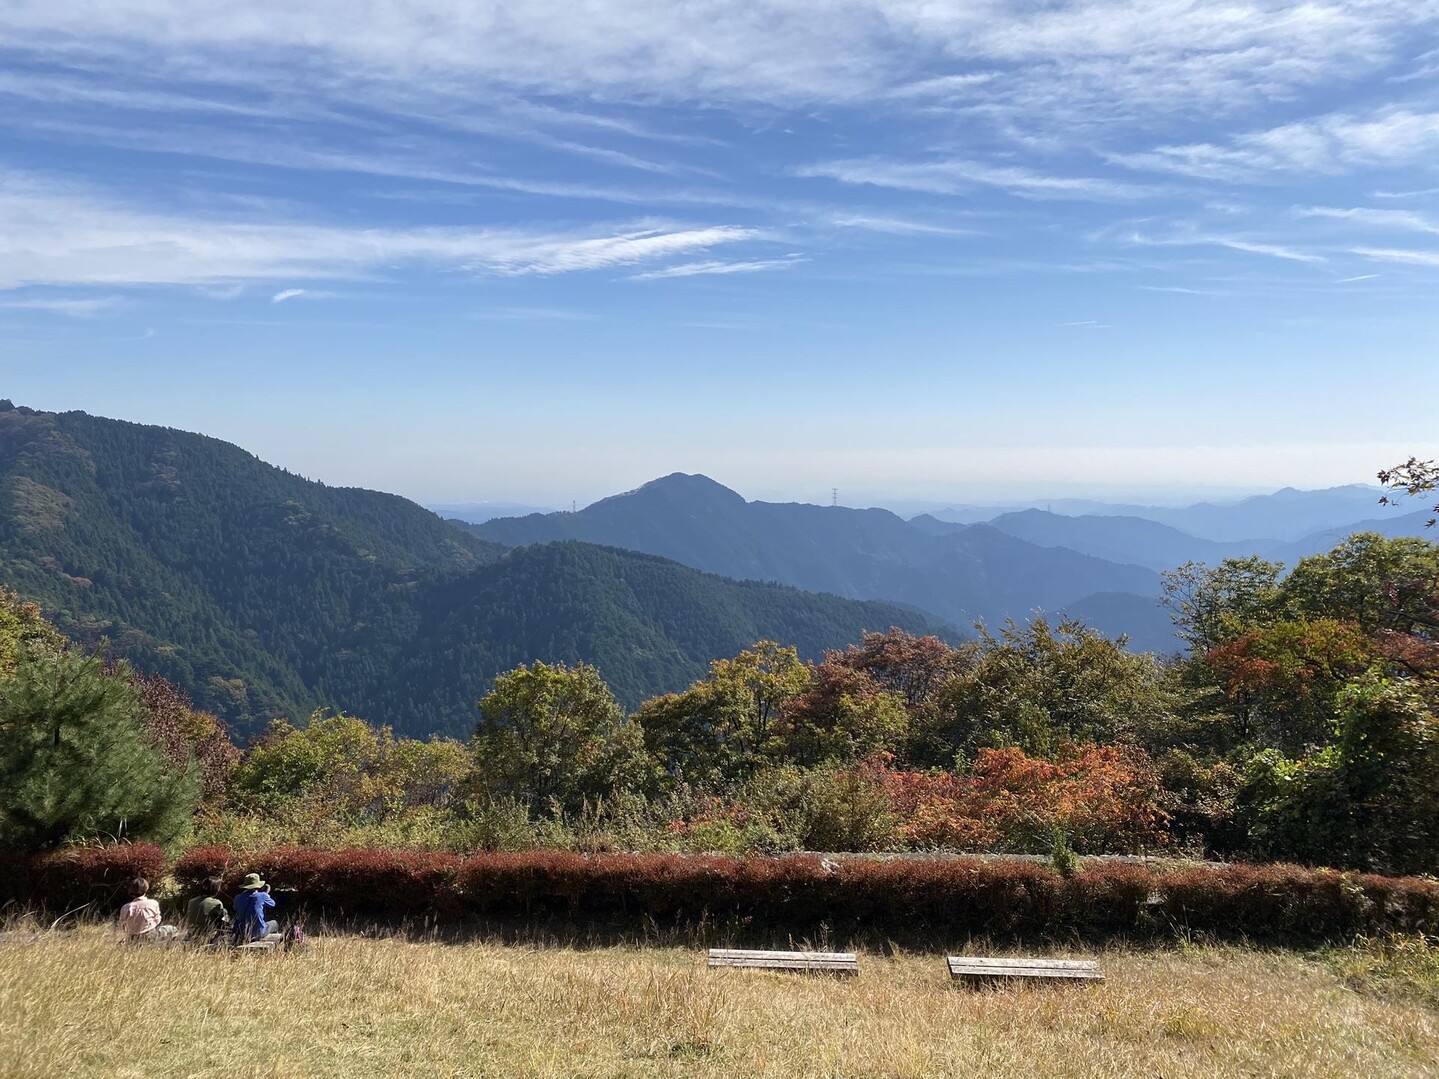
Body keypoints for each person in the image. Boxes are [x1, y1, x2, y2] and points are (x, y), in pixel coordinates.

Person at [232, 873, 278, 943]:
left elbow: (235, 908)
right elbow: (273, 904)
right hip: (259, 932)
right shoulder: (262, 895)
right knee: (274, 923)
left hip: (243, 931)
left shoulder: (238, 897)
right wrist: (266, 894)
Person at [184, 876, 229, 942]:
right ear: (216, 889)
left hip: (192, 933)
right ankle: (221, 937)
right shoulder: (216, 903)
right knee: (224, 912)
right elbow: (223, 920)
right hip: (208, 935)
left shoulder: (191, 901)